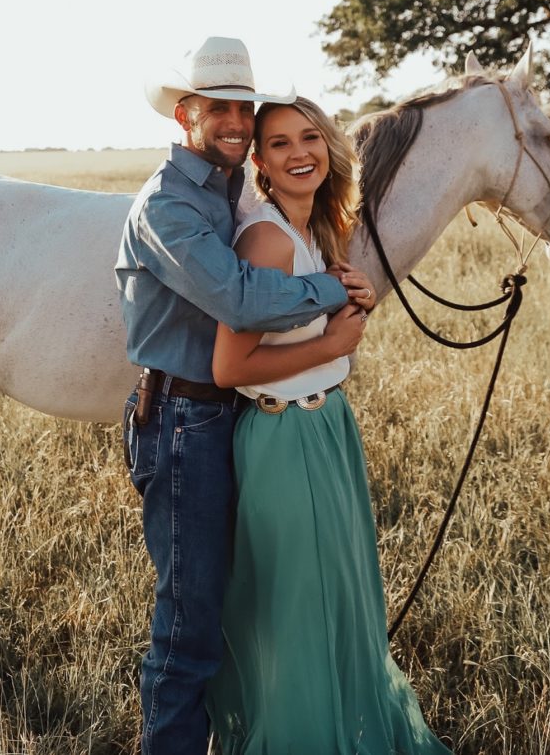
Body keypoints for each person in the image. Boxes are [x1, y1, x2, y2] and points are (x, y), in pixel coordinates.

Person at [115, 37, 375, 755]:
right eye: (217, 108)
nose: (233, 120)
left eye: (242, 108)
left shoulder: (230, 188)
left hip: (228, 416)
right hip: (182, 419)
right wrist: (337, 294)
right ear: (184, 115)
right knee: (190, 620)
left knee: (244, 602)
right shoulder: (169, 206)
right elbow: (236, 296)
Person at [206, 96, 451, 754]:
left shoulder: (318, 231)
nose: (299, 154)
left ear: (330, 145)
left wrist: (353, 303)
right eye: (280, 144)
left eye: (309, 137)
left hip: (327, 427)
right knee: (299, 608)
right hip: (283, 437)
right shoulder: (265, 239)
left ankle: (344, 727)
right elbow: (231, 365)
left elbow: (322, 330)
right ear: (259, 161)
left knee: (339, 597)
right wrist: (335, 344)